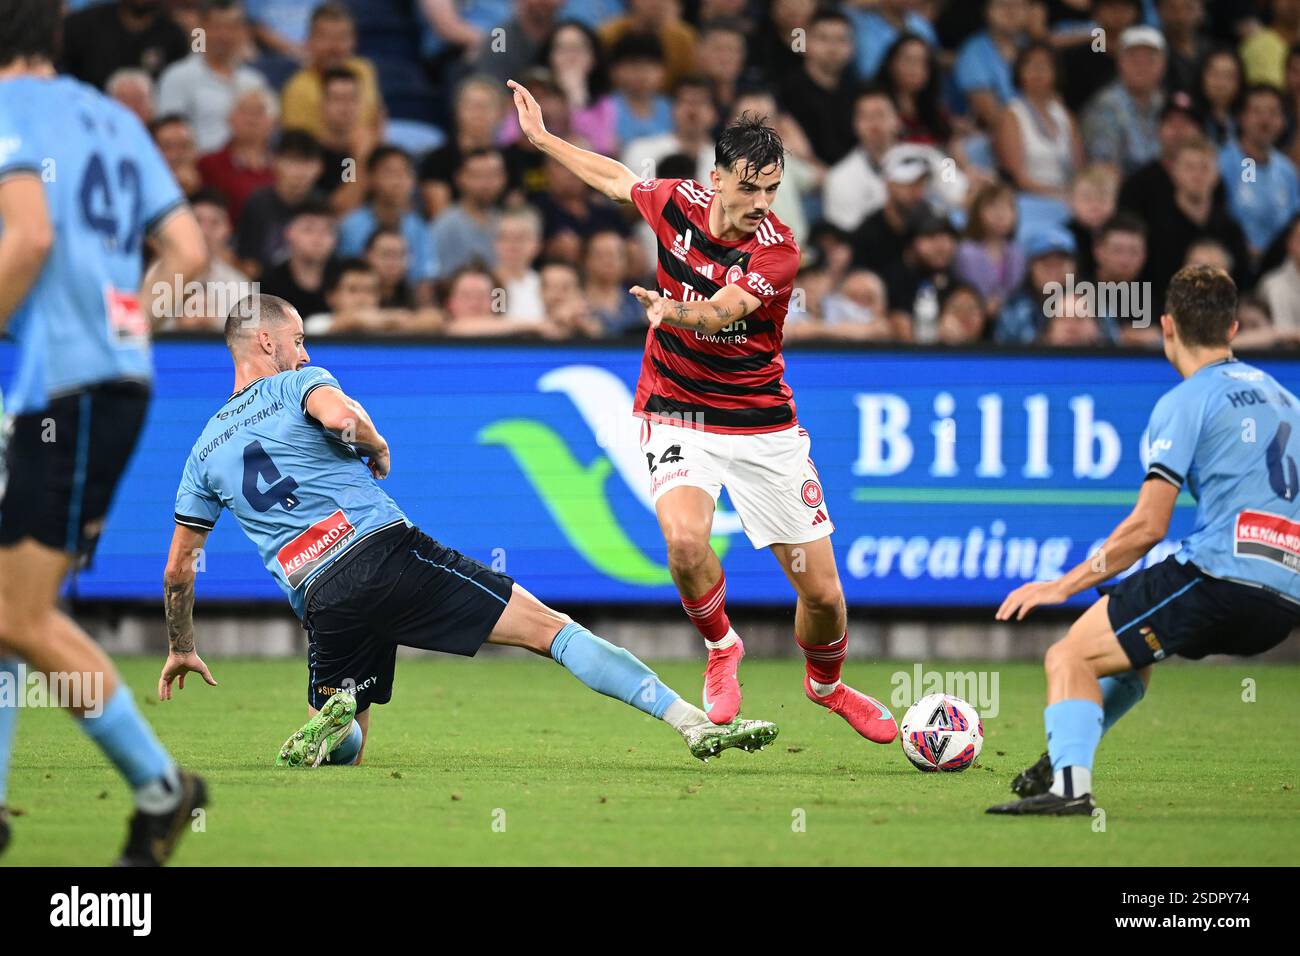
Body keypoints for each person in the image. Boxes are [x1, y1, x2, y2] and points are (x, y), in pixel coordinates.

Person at [157, 294, 778, 767]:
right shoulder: (298, 384)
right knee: (549, 630)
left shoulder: (203, 449)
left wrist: (182, 644)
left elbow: (179, 570)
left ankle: (335, 715)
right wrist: (374, 446)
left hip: (320, 596)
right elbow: (342, 417)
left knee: (351, 742)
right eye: (297, 340)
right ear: (265, 343)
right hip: (385, 553)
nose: (306, 352)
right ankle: (692, 722)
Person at [506, 77, 899, 743]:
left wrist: (671, 311)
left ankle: (826, 685)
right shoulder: (676, 203)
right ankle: (722, 646)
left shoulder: (776, 249)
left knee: (824, 597)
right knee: (685, 543)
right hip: (676, 409)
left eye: (772, 189)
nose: (761, 202)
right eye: (749, 187)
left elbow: (721, 313)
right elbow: (616, 180)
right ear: (714, 178)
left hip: (761, 422)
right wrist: (544, 138)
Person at [0, 0, 209, 864]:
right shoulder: (112, 115)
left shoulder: (7, 112)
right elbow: (191, 250)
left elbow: (30, 237)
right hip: (108, 382)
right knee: (10, 608)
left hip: (68, 393)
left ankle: (163, 789)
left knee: (20, 612)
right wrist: (126, 322)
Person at [989, 265, 1300, 815]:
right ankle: (1067, 757)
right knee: (1130, 655)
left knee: (1069, 656)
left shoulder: (1185, 401)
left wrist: (1064, 585)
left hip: (1222, 577)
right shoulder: (1285, 399)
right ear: (1233, 329)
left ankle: (1070, 788)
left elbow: (1147, 527)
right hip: (1282, 602)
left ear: (1167, 327)